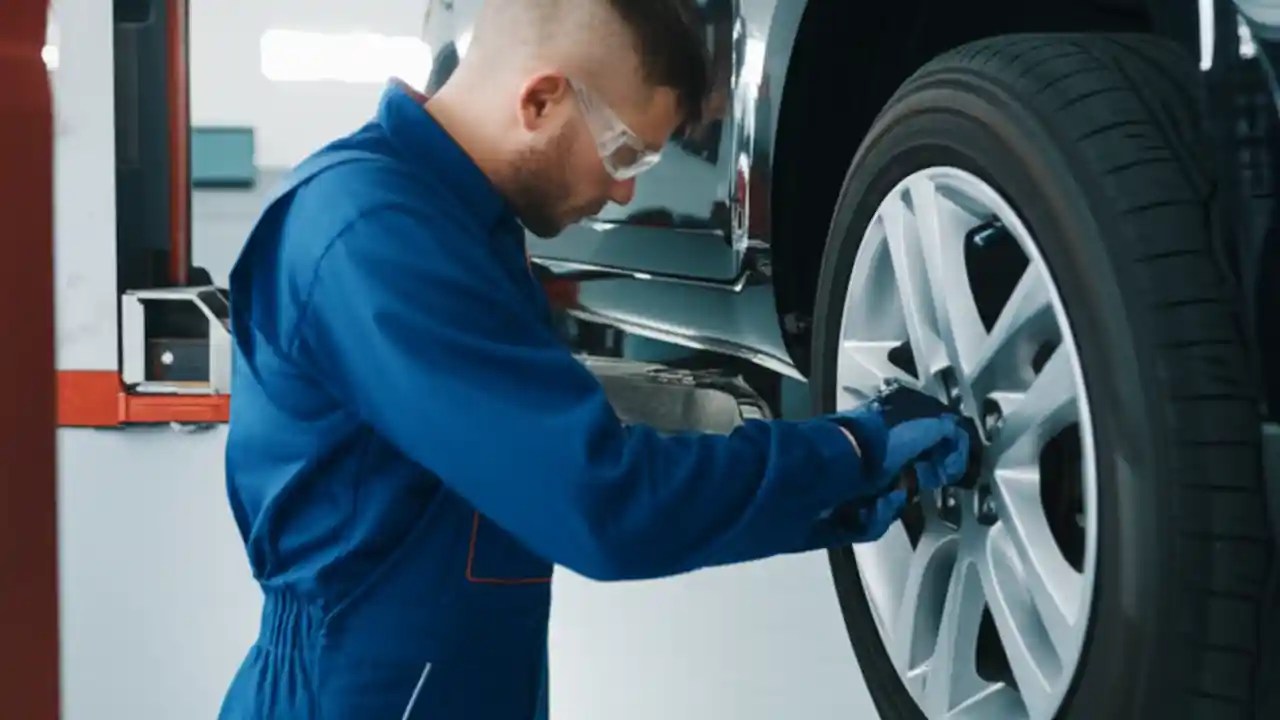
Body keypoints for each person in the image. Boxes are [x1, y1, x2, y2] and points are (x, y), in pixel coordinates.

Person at [217, 0, 975, 718]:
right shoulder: (370, 233)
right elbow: (600, 499)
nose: (623, 189)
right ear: (540, 100)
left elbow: (536, 474)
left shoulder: (459, 230)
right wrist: (848, 451)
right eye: (624, 151)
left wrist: (841, 493)